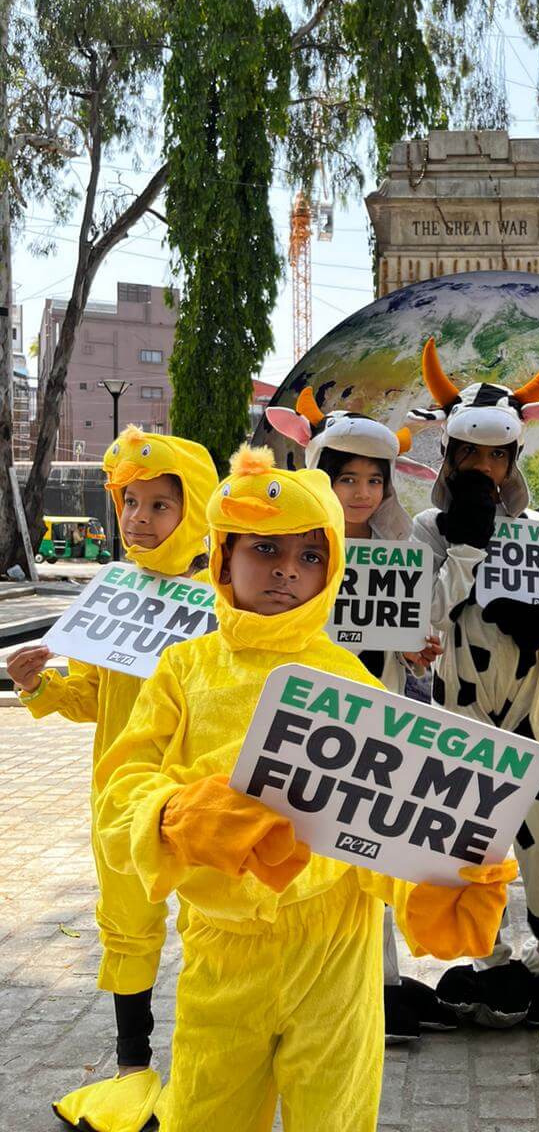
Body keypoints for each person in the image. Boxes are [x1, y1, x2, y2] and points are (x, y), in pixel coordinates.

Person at [95, 446, 515, 1131]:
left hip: (337, 959)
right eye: (265, 547)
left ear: (333, 566)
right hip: (221, 956)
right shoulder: (183, 669)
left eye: (310, 554)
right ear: (223, 553)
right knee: (207, 1114)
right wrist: (173, 814)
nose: (289, 568)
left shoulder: (349, 676)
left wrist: (434, 883)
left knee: (335, 1117)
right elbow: (120, 790)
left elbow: (385, 821)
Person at [6, 427, 217, 1132]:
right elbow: (91, 696)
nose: (139, 519)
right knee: (127, 930)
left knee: (213, 928)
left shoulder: (223, 600)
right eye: (129, 502)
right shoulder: (111, 591)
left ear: (194, 508)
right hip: (122, 802)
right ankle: (132, 1070)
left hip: (201, 803)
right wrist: (40, 685)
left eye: (159, 505)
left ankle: (208, 1062)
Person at [408, 337, 539, 1031]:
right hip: (458, 713)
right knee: (468, 839)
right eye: (471, 455)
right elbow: (418, 620)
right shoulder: (426, 531)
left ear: (513, 459)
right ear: (450, 456)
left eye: (496, 456)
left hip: (533, 713)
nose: (485, 468)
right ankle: (489, 959)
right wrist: (463, 553)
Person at [266, 392, 452, 1043]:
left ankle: (383, 984)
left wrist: (423, 648)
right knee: (309, 857)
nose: (364, 491)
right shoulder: (293, 548)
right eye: (349, 477)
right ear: (322, 475)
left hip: (383, 723)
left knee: (375, 852)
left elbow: (420, 635)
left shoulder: (400, 547)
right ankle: (309, 986)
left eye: (375, 479)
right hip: (315, 723)